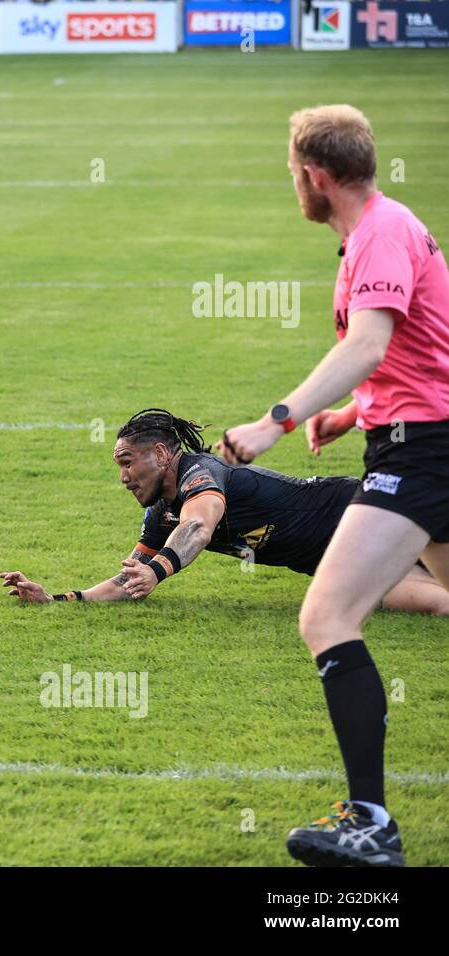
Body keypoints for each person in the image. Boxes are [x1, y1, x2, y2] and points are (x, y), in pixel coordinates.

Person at [219, 105, 449, 867]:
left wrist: (275, 421)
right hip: (421, 437)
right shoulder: (380, 229)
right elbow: (415, 346)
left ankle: (372, 825)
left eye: (293, 172)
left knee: (328, 616)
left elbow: (370, 340)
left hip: (423, 455)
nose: (295, 183)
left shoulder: (379, 232)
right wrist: (356, 413)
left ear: (315, 176)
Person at [1, 409, 448, 615]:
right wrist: (56, 599)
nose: (123, 477)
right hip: (344, 565)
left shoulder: (204, 471)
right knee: (437, 604)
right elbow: (126, 580)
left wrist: (159, 571)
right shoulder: (162, 514)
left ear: (160, 453)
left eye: (126, 463)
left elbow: (199, 524)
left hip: (360, 513)